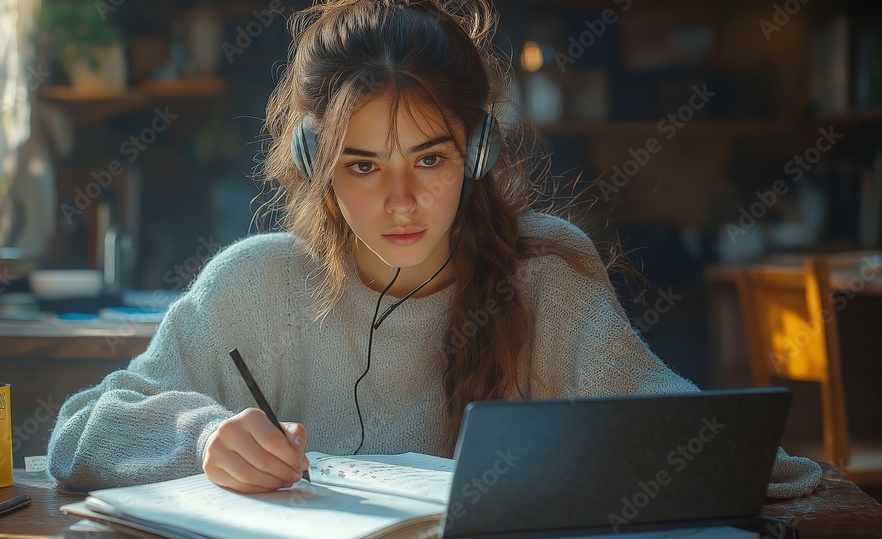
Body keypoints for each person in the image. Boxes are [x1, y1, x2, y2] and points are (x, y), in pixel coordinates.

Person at [46, 0, 821, 498]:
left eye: (430, 158)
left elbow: (701, 445)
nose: (402, 201)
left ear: (476, 153)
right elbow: (82, 429)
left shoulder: (544, 275)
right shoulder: (254, 284)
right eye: (363, 165)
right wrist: (204, 436)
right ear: (318, 165)